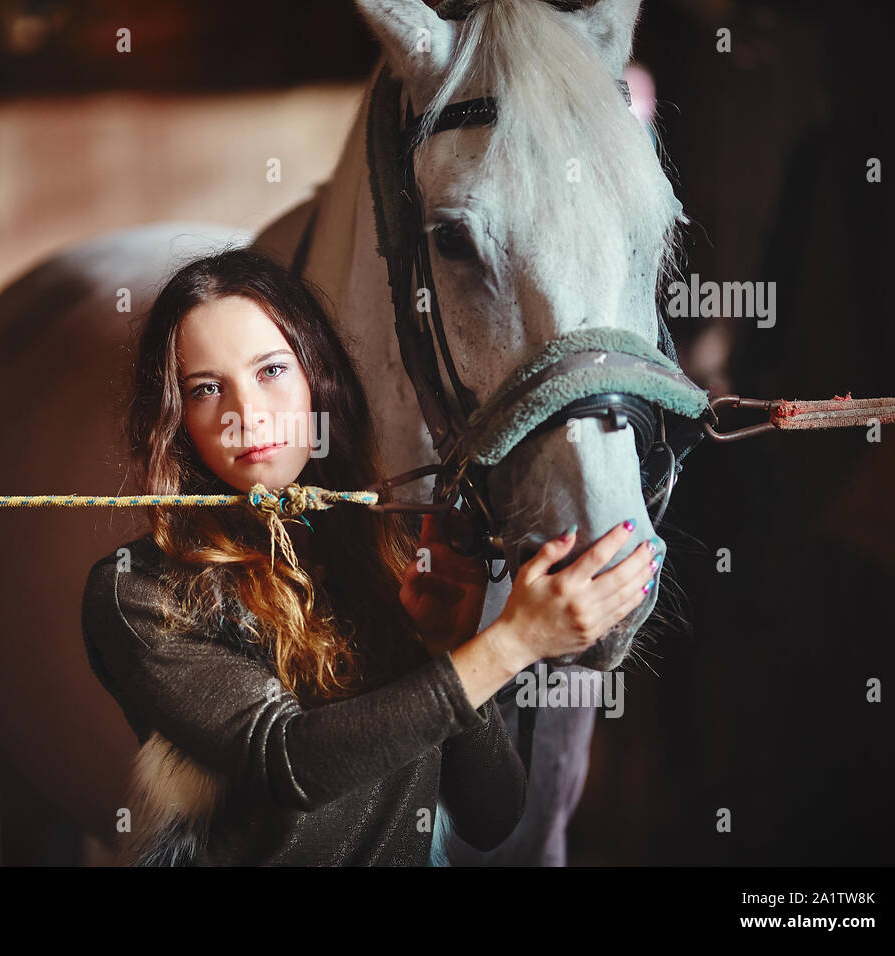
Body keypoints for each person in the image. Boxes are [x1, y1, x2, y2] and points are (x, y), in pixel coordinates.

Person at [80, 246, 659, 866]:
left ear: (315, 377)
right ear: (177, 421)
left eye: (271, 371)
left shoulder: (388, 555)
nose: (246, 414)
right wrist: (510, 644)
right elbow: (290, 760)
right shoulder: (137, 590)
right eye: (206, 388)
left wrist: (445, 650)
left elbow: (492, 816)